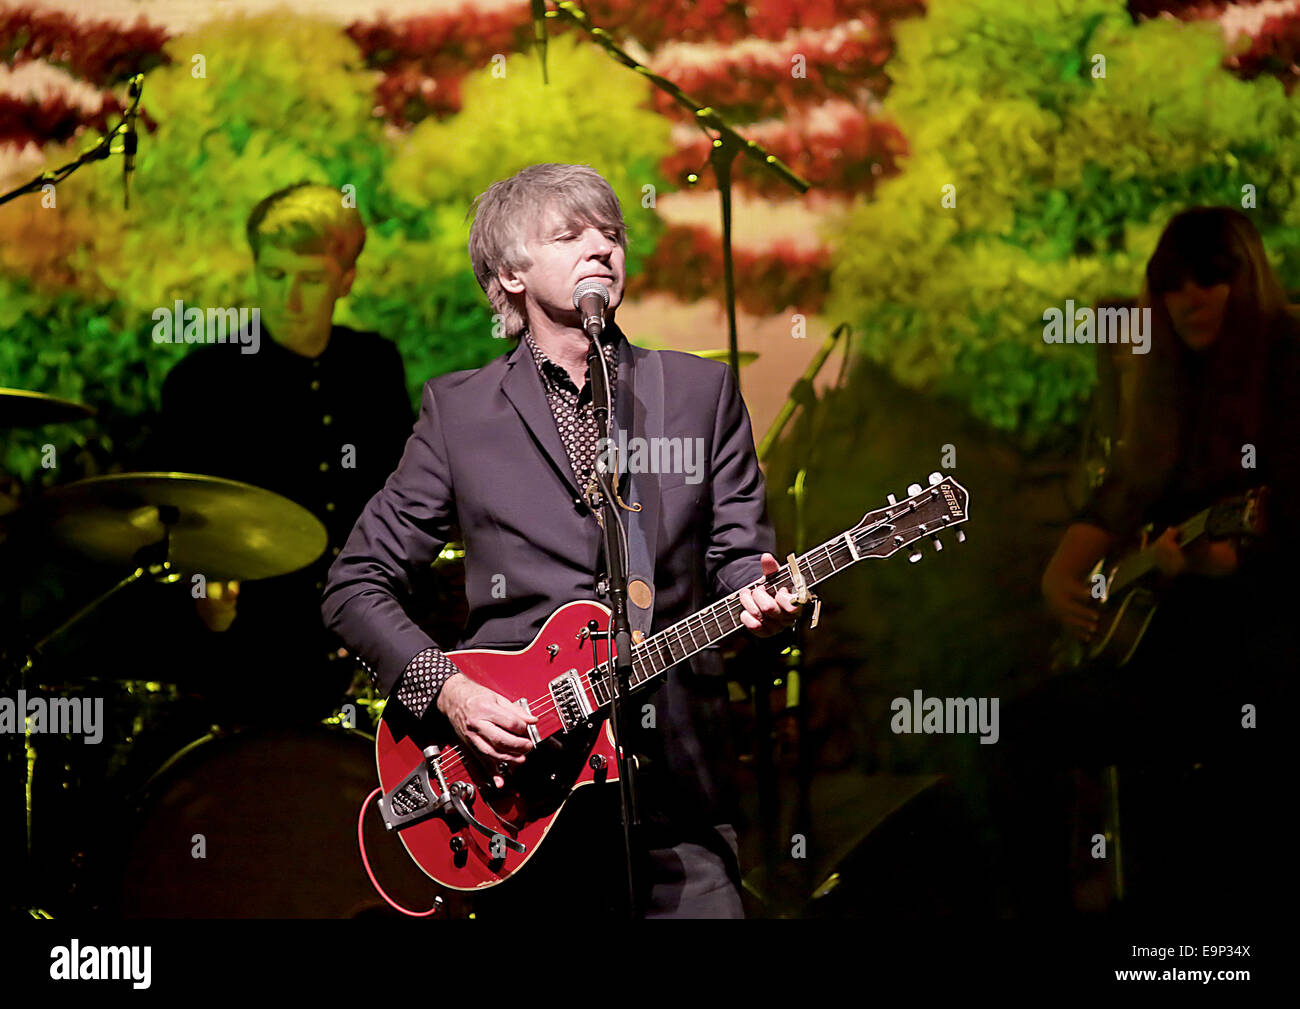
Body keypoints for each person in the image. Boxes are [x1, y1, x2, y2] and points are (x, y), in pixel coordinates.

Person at [322, 162, 802, 919]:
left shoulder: (698, 394)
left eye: (611, 233)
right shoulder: (461, 413)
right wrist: (451, 692)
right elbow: (355, 584)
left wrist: (772, 598)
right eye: (569, 234)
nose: (601, 248)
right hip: (522, 801)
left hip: (677, 790)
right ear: (511, 272)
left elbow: (743, 557)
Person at [1028, 206, 1299, 913]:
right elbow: (1128, 487)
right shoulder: (1167, 378)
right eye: (1174, 284)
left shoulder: (1289, 356)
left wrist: (1231, 566)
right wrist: (1063, 570)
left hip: (1266, 635)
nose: (1191, 298)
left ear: (1246, 278)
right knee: (1028, 726)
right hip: (1176, 630)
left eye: (1211, 278)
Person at [150, 182, 414, 723]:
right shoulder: (203, 382)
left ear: (346, 280)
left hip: (372, 637)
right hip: (253, 657)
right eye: (273, 275)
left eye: (311, 280)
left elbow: (406, 502)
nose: (288, 298)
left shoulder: (374, 367)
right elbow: (164, 524)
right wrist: (201, 596)